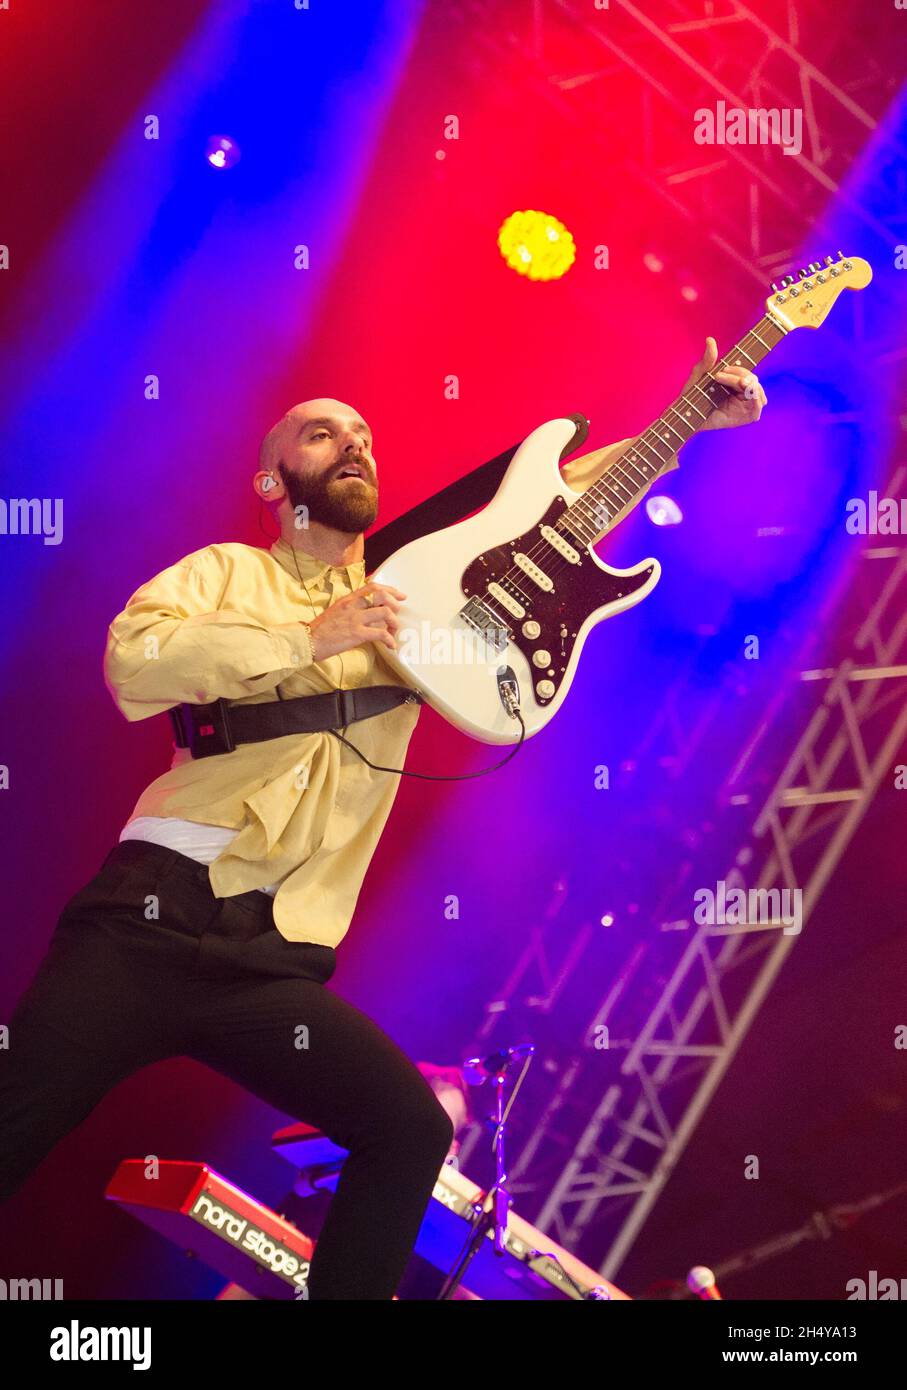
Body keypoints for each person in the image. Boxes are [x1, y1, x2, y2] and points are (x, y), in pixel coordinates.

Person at [0, 347, 765, 1300]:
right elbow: (135, 666)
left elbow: (563, 500)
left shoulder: (427, 597)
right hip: (146, 919)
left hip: (269, 961)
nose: (353, 444)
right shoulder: (229, 572)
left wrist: (689, 419)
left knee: (408, 1129)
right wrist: (309, 636)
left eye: (364, 436)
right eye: (323, 433)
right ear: (274, 479)